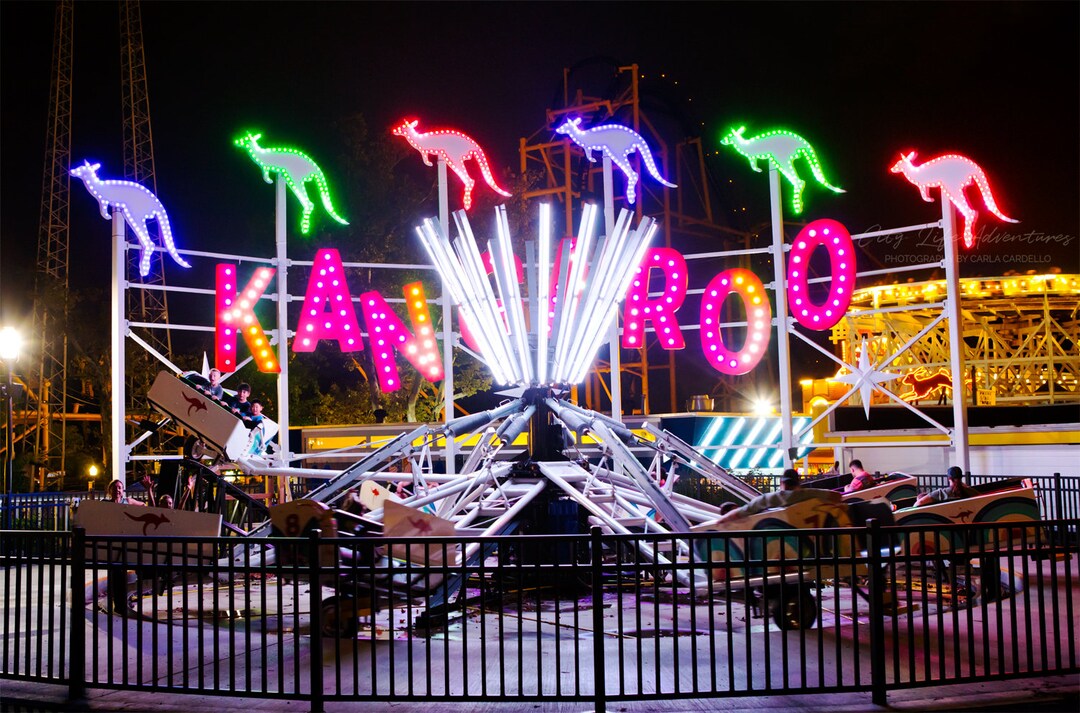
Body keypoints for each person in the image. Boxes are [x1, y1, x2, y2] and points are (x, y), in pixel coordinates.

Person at [716, 469, 840, 523]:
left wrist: (720, 521)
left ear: (782, 483)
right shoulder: (810, 494)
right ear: (798, 483)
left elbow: (741, 512)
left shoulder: (768, 499)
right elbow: (836, 496)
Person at [915, 466, 979, 506]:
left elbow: (919, 503)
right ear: (961, 477)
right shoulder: (971, 492)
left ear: (949, 478)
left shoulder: (941, 493)